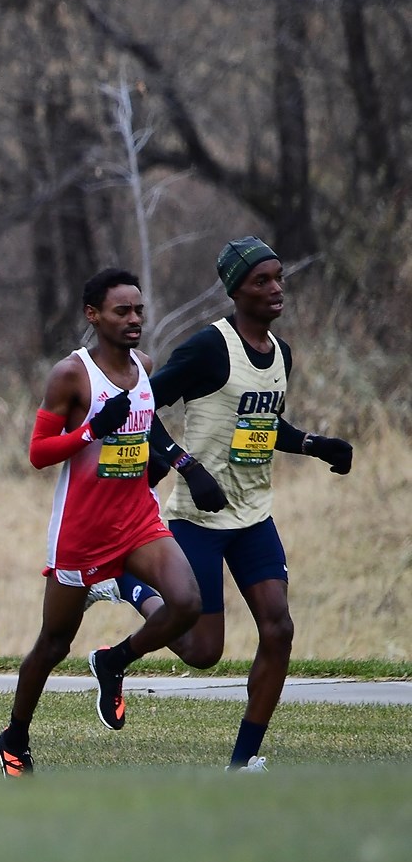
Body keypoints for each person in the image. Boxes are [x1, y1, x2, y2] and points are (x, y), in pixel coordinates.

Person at [100, 237, 354, 772]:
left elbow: (259, 424)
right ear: (236, 291)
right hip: (198, 518)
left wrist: (313, 444)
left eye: (279, 277)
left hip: (253, 516)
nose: (276, 288)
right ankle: (120, 632)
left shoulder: (281, 354)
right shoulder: (209, 348)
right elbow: (142, 408)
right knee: (203, 650)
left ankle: (241, 764)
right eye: (262, 280)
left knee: (278, 628)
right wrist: (188, 466)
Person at [0, 267, 229, 778]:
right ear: (93, 315)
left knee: (188, 603)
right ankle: (14, 735)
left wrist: (173, 462)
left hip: (137, 518)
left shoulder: (144, 365)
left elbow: (145, 433)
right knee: (53, 644)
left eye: (139, 310)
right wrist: (89, 432)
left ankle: (114, 661)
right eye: (122, 310)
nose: (134, 319)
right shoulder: (71, 375)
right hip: (82, 531)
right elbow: (37, 454)